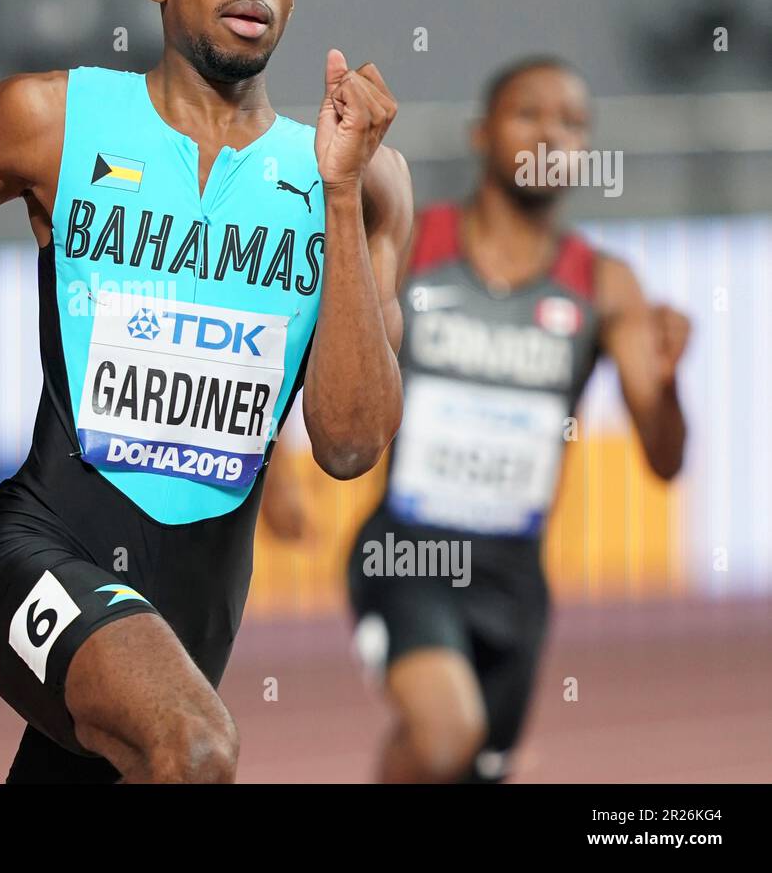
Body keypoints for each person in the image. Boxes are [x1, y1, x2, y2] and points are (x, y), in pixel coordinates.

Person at [0, 0, 413, 783]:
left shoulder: (356, 178)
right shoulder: (46, 119)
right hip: (38, 549)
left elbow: (352, 443)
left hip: (192, 610)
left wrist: (343, 190)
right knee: (194, 746)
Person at [263, 54, 689, 783]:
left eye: (573, 123)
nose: (552, 136)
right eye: (529, 115)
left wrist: (670, 384)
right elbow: (323, 341)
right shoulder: (418, 244)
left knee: (475, 769)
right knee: (441, 736)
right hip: (407, 551)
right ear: (480, 133)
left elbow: (664, 459)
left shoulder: (603, 283)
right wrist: (276, 469)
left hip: (516, 575)